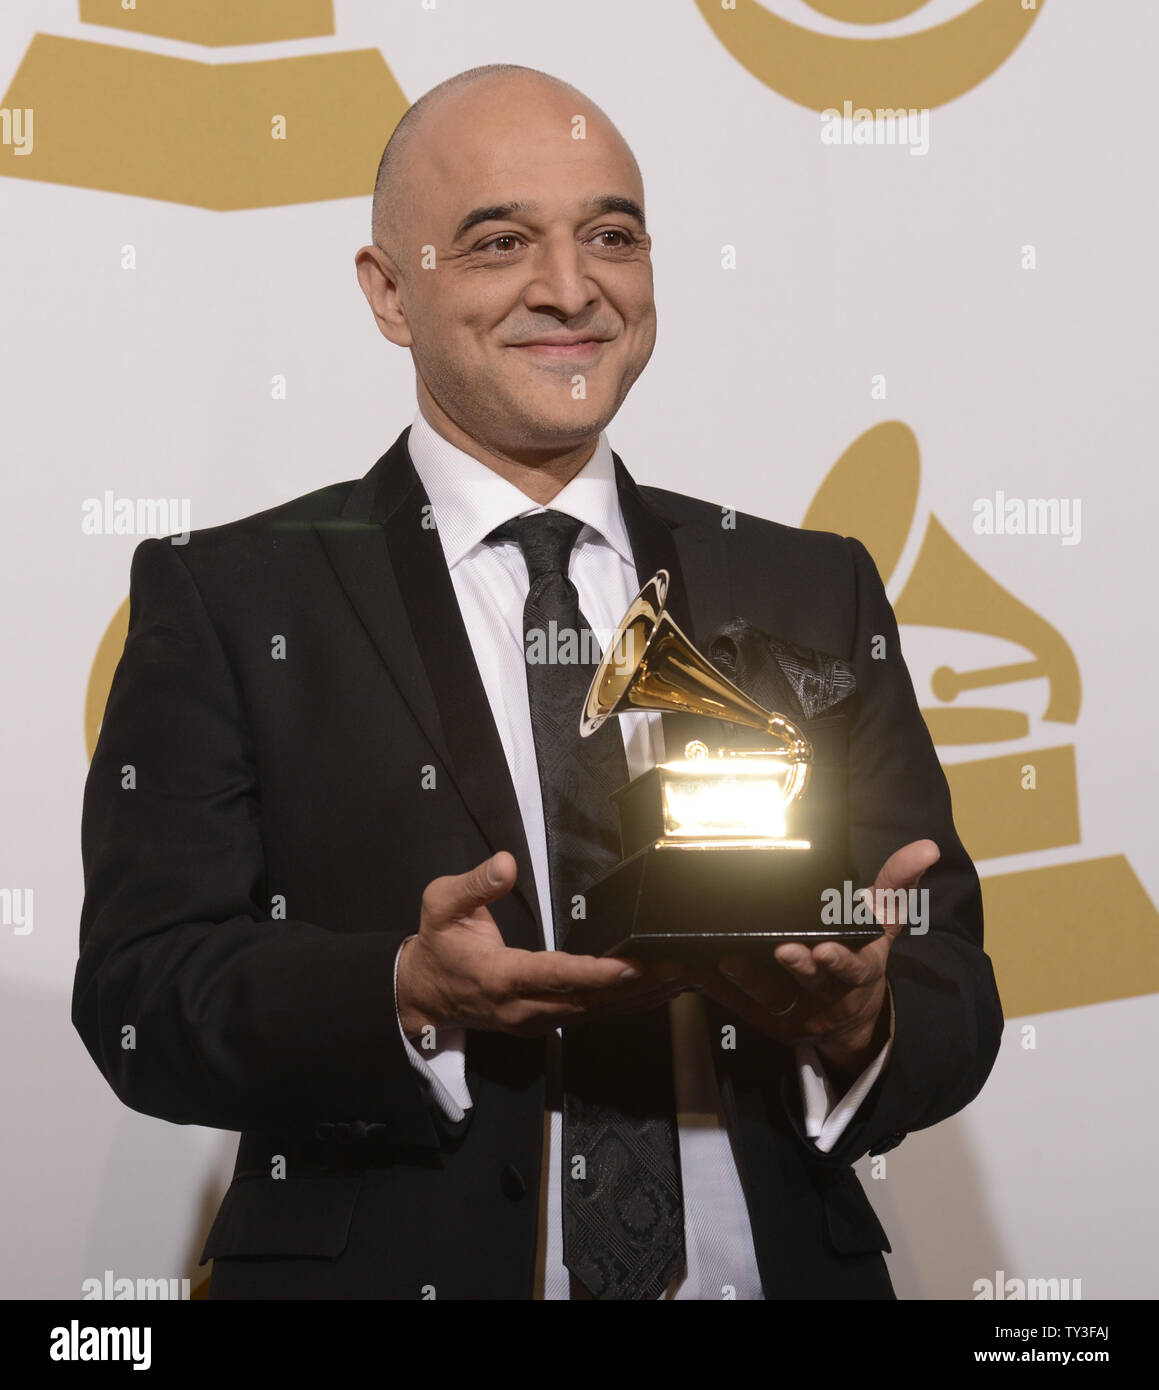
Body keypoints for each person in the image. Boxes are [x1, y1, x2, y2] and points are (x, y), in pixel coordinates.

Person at [73, 64, 1002, 1300]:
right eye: (500, 240)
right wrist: (403, 990)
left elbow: (951, 977)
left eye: (609, 236)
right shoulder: (234, 596)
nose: (570, 289)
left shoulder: (806, 583)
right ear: (390, 291)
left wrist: (855, 1020)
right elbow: (143, 991)